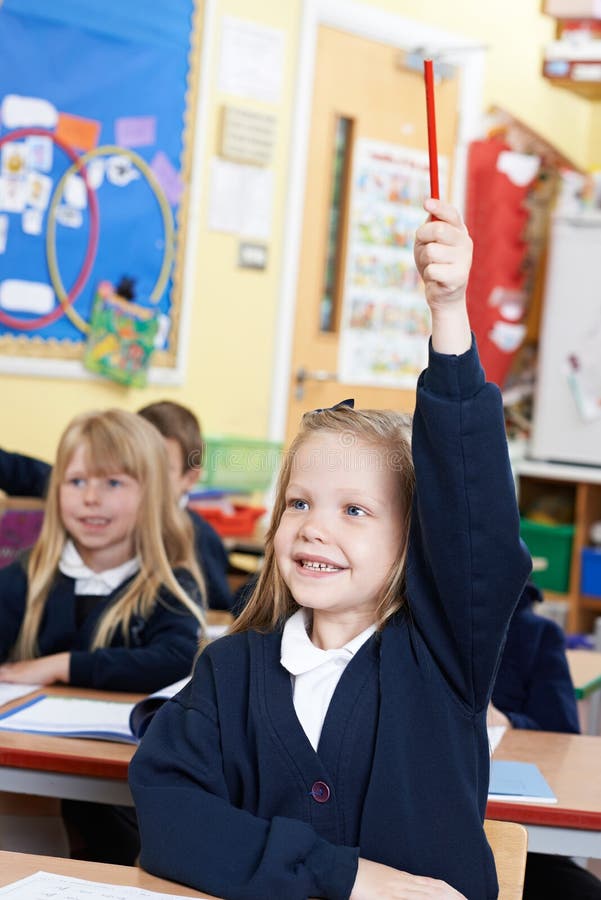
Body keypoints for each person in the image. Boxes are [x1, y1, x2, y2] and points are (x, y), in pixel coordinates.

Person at [129, 198, 532, 900]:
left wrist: (447, 316)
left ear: (415, 538)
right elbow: (170, 818)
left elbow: (477, 522)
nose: (315, 528)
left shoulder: (441, 653)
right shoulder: (231, 669)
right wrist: (348, 880)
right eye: (298, 504)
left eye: (354, 511)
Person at [0, 409, 206, 866]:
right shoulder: (29, 576)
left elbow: (172, 658)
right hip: (32, 765)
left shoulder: (167, 584)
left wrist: (60, 665)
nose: (91, 499)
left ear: (152, 495)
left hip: (122, 785)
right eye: (76, 482)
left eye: (113, 483)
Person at [0, 400, 233, 612]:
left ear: (189, 478)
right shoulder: (84, 492)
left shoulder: (199, 541)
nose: (91, 497)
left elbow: (220, 612)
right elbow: (29, 473)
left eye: (160, 468)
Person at [490, 581, 601, 900]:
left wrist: (507, 721)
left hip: (513, 824)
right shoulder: (410, 626)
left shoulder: (535, 634)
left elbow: (563, 735)